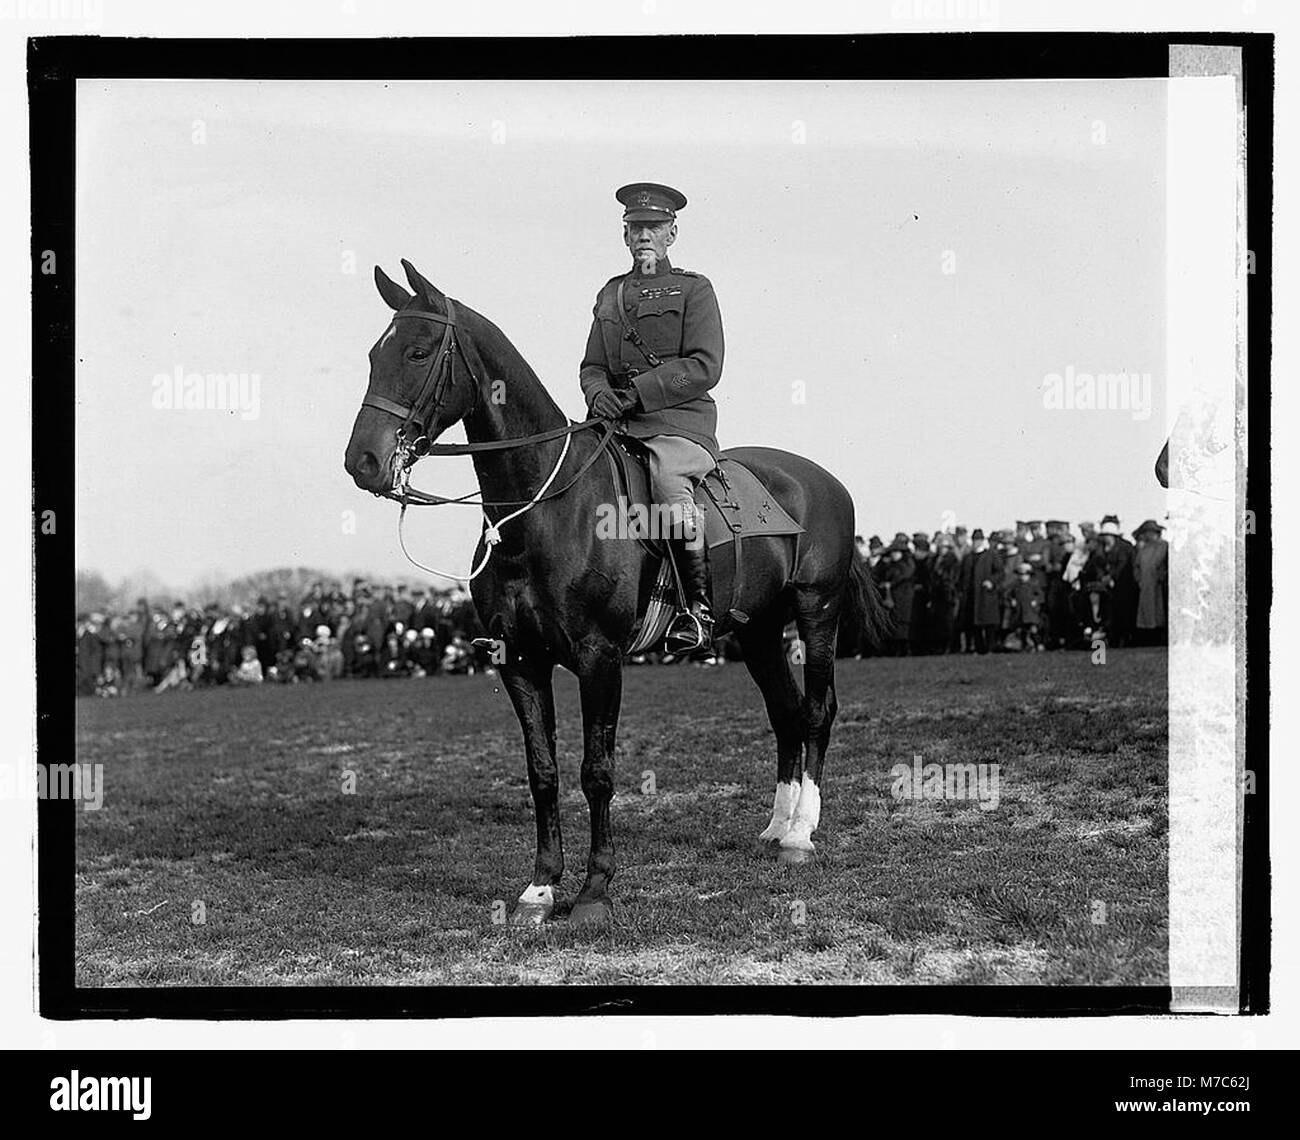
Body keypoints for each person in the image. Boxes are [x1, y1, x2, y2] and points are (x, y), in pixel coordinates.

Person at [579, 182, 724, 653]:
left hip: (678, 423)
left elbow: (706, 366)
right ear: (625, 236)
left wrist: (637, 394)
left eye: (654, 227)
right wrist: (600, 394)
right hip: (615, 423)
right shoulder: (611, 293)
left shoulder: (694, 289)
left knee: (666, 482)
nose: (644, 234)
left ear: (672, 233)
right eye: (636, 227)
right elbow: (592, 365)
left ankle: (695, 610)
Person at [1132, 519, 1169, 645]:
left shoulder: (1164, 546)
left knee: (1159, 611)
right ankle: (1148, 637)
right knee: (1146, 613)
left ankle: (1161, 637)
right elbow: (1136, 566)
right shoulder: (1143, 549)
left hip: (1158, 585)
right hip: (1145, 584)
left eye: (1148, 532)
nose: (1146, 535)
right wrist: (1138, 580)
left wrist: (1162, 576)